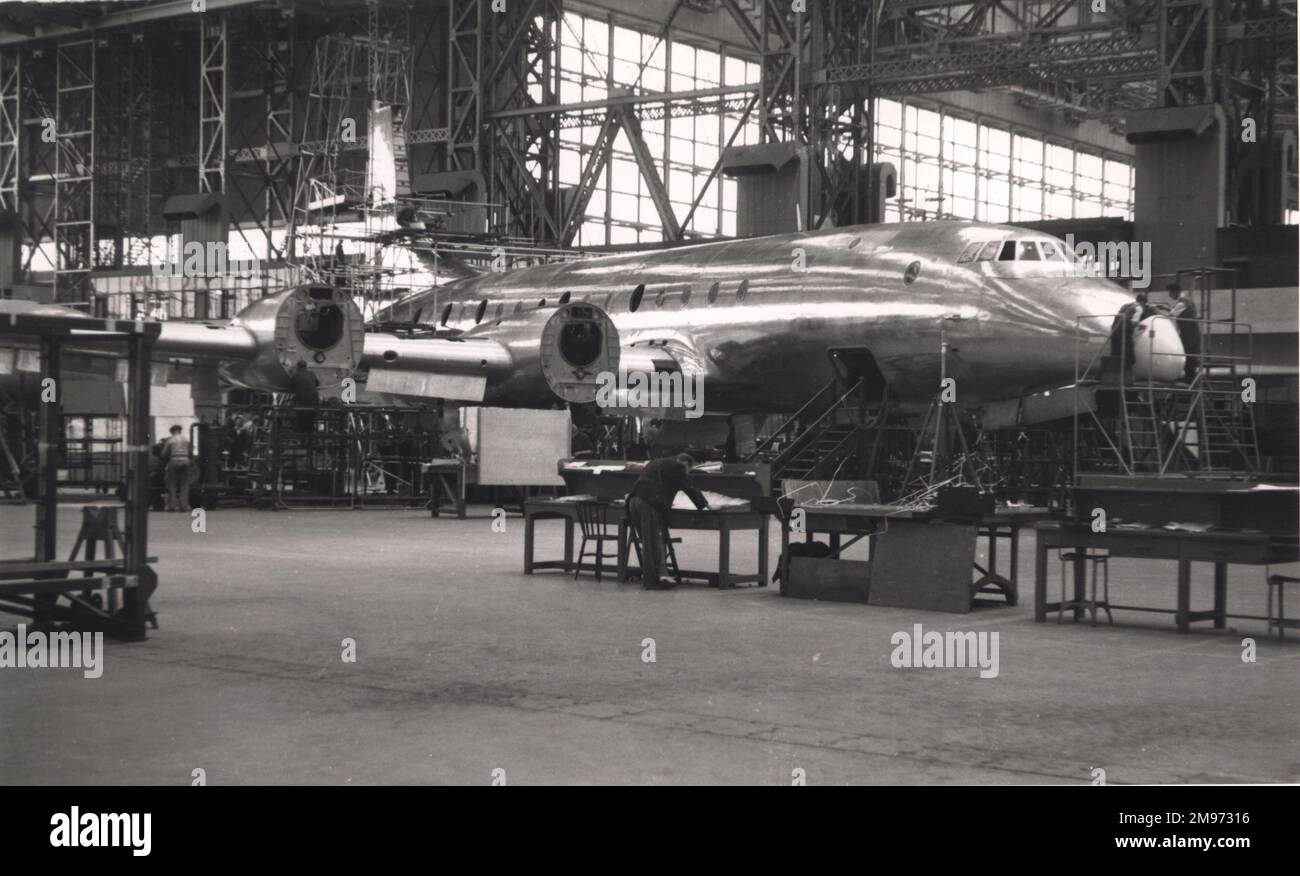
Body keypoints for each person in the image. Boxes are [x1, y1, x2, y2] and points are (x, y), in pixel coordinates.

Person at [627, 453, 709, 590]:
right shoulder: (678, 467)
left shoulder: (657, 461)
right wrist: (703, 503)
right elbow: (688, 487)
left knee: (649, 541)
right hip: (649, 504)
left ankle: (660, 575)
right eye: (688, 470)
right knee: (651, 542)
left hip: (633, 501)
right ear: (685, 464)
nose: (686, 473)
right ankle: (650, 581)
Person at [1109, 290, 1150, 379]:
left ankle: (1112, 376)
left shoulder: (1125, 305)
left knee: (1115, 353)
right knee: (1128, 354)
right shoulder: (1139, 308)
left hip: (1114, 328)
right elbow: (1133, 322)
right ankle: (1127, 377)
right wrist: (1141, 326)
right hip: (1124, 330)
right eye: (1144, 304)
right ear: (1142, 302)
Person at [1166, 283, 1201, 382]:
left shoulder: (1182, 303)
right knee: (1189, 359)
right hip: (1190, 333)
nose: (1170, 296)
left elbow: (1171, 315)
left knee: (1189, 359)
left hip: (1189, 334)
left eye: (1170, 293)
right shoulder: (1186, 301)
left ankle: (1189, 382)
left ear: (1175, 292)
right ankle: (1189, 381)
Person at [160, 424, 193, 512]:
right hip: (185, 462)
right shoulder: (186, 439)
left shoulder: (170, 440)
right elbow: (190, 452)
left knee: (172, 484)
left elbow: (164, 454)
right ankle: (184, 505)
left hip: (174, 461)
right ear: (180, 431)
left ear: (172, 431)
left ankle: (172, 506)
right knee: (184, 484)